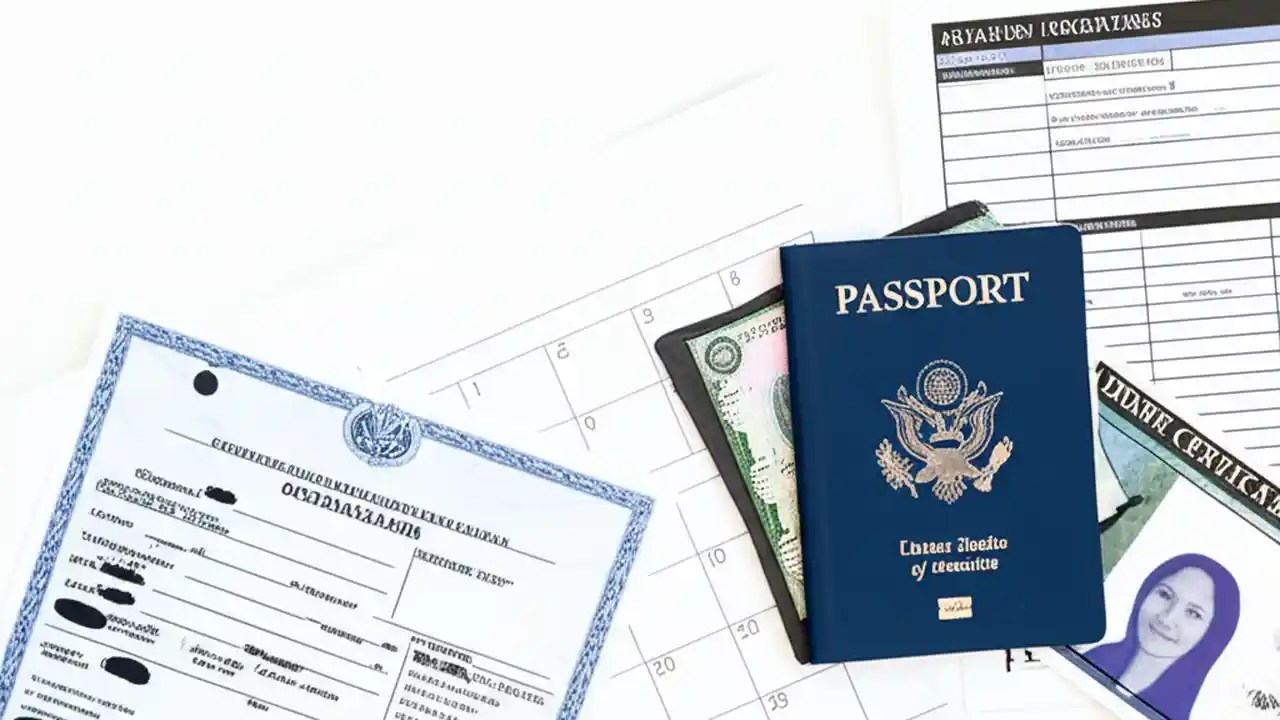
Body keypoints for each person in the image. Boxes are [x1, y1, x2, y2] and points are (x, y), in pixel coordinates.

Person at [1084, 553, 1240, 720]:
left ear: (1212, 633)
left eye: (1193, 613)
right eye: (1165, 595)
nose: (1166, 618)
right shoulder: (1094, 656)